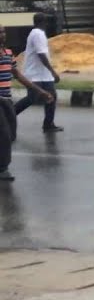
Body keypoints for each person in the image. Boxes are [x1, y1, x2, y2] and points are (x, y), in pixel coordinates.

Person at [0, 24, 53, 181]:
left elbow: (18, 75)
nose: (2, 35)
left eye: (3, 32)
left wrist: (40, 91)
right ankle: (3, 168)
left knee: (11, 133)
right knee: (3, 133)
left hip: (7, 99)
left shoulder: (8, 53)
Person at [13, 12, 60, 133]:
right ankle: (9, 115)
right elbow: (41, 54)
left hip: (43, 74)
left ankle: (48, 124)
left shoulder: (36, 33)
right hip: (35, 73)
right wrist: (53, 71)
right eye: (46, 21)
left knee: (52, 96)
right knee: (32, 98)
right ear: (43, 22)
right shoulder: (38, 34)